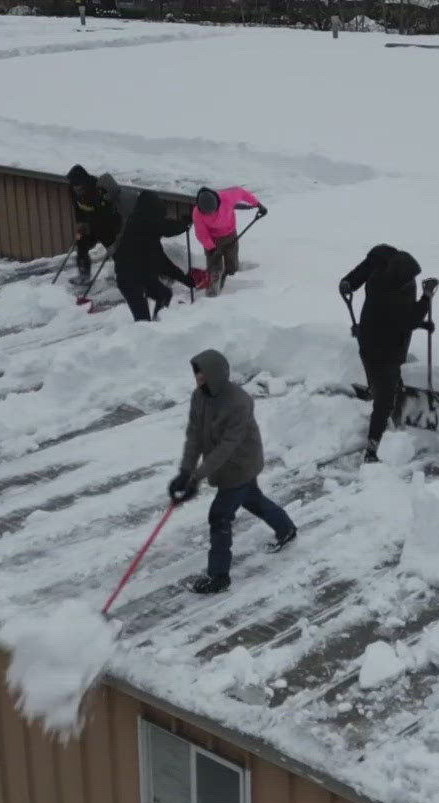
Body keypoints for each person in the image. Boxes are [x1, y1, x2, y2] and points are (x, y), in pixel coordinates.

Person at [169, 349, 297, 594]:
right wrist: (186, 471)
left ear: (216, 374)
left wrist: (197, 477)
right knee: (253, 499)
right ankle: (286, 528)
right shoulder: (199, 397)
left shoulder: (239, 402)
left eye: (203, 374)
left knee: (219, 516)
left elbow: (228, 445)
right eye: (197, 373)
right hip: (224, 465)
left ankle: (219, 576)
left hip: (241, 463)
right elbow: (194, 435)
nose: (198, 378)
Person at [339, 244, 434, 462]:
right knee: (384, 402)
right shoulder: (396, 296)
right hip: (387, 352)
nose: (413, 282)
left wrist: (422, 324)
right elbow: (408, 319)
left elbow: (397, 319)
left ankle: (379, 391)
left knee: (380, 378)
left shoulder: (378, 282)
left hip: (368, 341)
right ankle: (373, 447)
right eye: (410, 279)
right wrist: (427, 297)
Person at [100, 176, 193, 322]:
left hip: (141, 273)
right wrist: (185, 279)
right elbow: (162, 261)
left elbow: (165, 226)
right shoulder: (143, 229)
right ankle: (146, 335)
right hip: (128, 278)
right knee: (142, 320)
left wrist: (183, 224)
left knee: (164, 295)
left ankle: (158, 323)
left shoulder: (140, 220)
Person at [191, 185, 264, 296]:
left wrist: (257, 204)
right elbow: (201, 234)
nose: (211, 215)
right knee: (214, 266)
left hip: (230, 234)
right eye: (208, 213)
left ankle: (230, 282)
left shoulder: (226, 197)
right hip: (212, 239)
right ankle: (212, 291)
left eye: (213, 211)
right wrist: (212, 248)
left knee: (232, 263)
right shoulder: (197, 213)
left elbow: (242, 193)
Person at [66, 164, 120, 287]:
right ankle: (84, 275)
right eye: (74, 186)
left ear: (84, 182)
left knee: (115, 252)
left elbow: (106, 211)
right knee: (81, 243)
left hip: (107, 224)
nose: (76, 188)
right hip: (88, 224)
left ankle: (126, 275)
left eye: (78, 185)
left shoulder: (97, 188)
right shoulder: (72, 190)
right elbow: (78, 208)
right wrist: (81, 223)